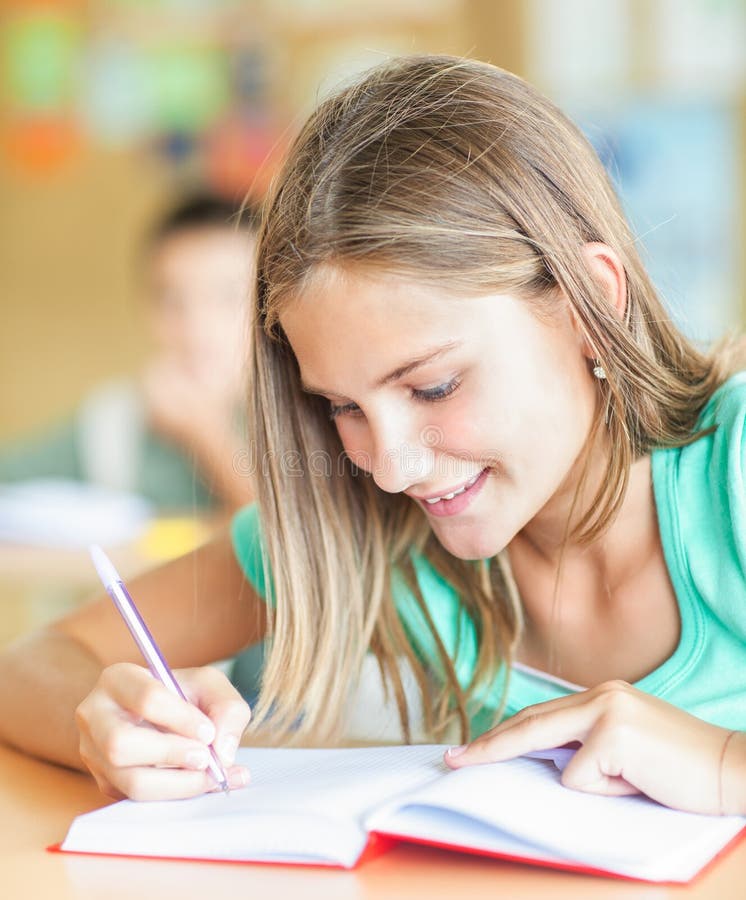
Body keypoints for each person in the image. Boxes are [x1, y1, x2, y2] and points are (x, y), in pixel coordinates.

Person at [0, 55, 744, 814]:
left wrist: (722, 762)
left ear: (590, 305)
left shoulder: (734, 470)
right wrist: (113, 730)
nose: (390, 468)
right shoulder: (362, 521)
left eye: (434, 386)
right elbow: (29, 668)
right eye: (341, 406)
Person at [0, 193, 260, 513]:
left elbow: (290, 530)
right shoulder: (113, 423)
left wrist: (206, 434)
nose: (196, 328)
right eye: (172, 301)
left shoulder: (301, 415)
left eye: (229, 297)